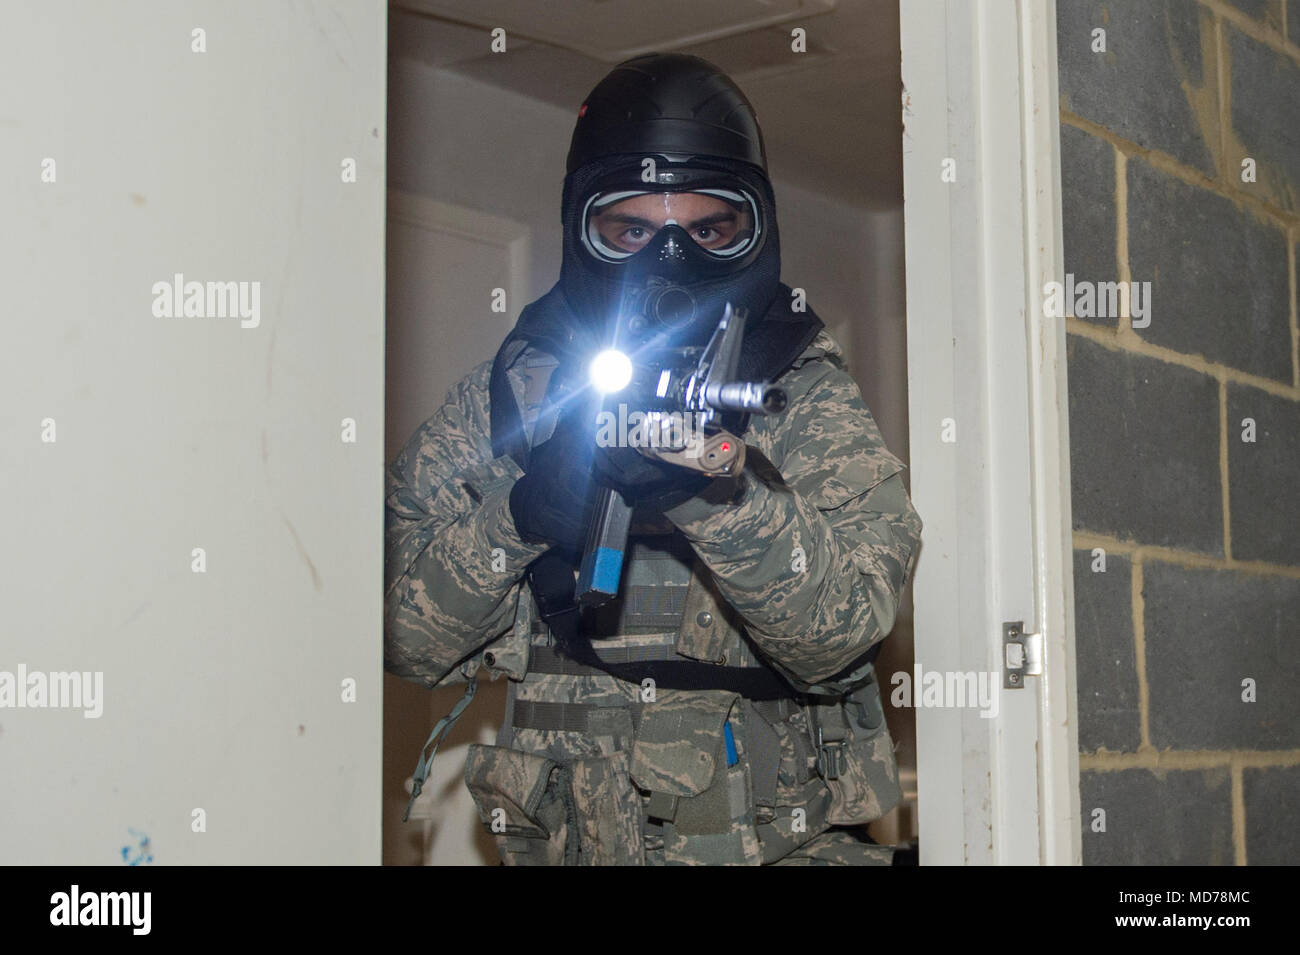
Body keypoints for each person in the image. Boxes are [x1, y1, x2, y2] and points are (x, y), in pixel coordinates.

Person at [384, 52, 922, 865]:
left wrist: (719, 496)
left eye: (708, 230)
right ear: (581, 226)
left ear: (755, 227)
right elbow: (399, 636)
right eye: (631, 230)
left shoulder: (797, 387)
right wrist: (522, 516)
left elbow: (846, 633)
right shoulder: (519, 390)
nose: (668, 262)